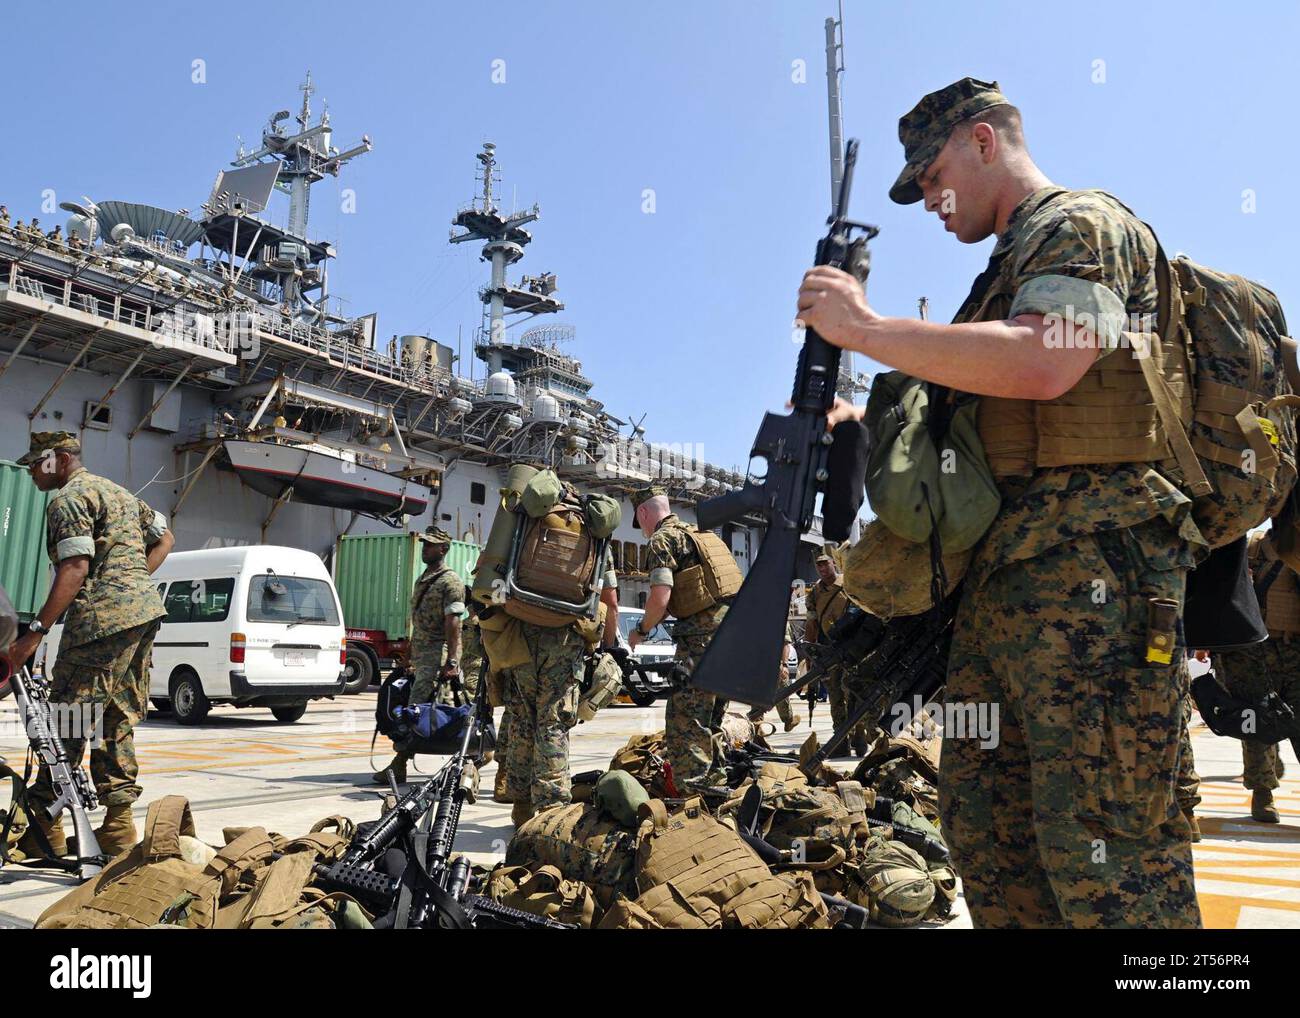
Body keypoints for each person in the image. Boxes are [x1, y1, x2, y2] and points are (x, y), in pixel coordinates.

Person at [795, 78, 1203, 928]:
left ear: (985, 141)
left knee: (1109, 861)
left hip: (1096, 583)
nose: (930, 202)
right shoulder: (1004, 271)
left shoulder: (1079, 223)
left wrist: (866, 329)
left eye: (934, 175)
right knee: (993, 840)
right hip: (1005, 594)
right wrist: (865, 418)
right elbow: (982, 428)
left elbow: (1045, 359)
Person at [5, 431, 174, 857]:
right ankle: (118, 827)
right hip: (141, 617)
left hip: (98, 624)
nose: (30, 472)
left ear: (57, 459)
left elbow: (76, 567)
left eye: (34, 463)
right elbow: (165, 538)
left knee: (68, 717)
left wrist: (33, 634)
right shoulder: (117, 493)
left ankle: (44, 823)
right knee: (115, 717)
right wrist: (130, 588)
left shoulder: (68, 500)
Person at [630, 485, 741, 790]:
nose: (643, 532)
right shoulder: (704, 536)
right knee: (712, 721)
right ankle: (716, 789)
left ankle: (693, 797)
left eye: (640, 525)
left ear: (643, 512)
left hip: (699, 643)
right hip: (731, 638)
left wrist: (640, 630)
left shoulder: (662, 540)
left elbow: (660, 598)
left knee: (686, 723)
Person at [502, 543, 619, 826]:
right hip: (566, 639)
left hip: (522, 633)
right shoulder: (592, 533)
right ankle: (551, 810)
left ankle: (521, 805)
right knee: (553, 722)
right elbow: (610, 599)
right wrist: (609, 646)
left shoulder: (528, 522)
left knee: (522, 719)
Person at [1214, 530, 1300, 823]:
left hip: (1295, 649)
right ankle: (1263, 791)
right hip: (1255, 652)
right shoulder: (1251, 547)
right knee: (1256, 722)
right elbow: (1226, 594)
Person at [372, 526, 465, 785]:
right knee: (420, 712)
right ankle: (402, 764)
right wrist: (408, 656)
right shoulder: (424, 578)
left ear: (444, 549)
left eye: (430, 545)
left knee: (434, 713)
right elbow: (419, 623)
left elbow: (453, 624)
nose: (425, 548)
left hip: (438, 658)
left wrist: (453, 661)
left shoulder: (451, 582)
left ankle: (402, 765)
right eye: (424, 544)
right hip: (422, 657)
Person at [805, 554, 867, 755]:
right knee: (834, 693)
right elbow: (812, 622)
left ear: (834, 564)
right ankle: (840, 737)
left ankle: (859, 734)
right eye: (819, 565)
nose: (822, 569)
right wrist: (810, 649)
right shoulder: (815, 592)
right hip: (829, 648)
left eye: (826, 564)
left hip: (853, 648)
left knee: (853, 692)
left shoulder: (849, 584)